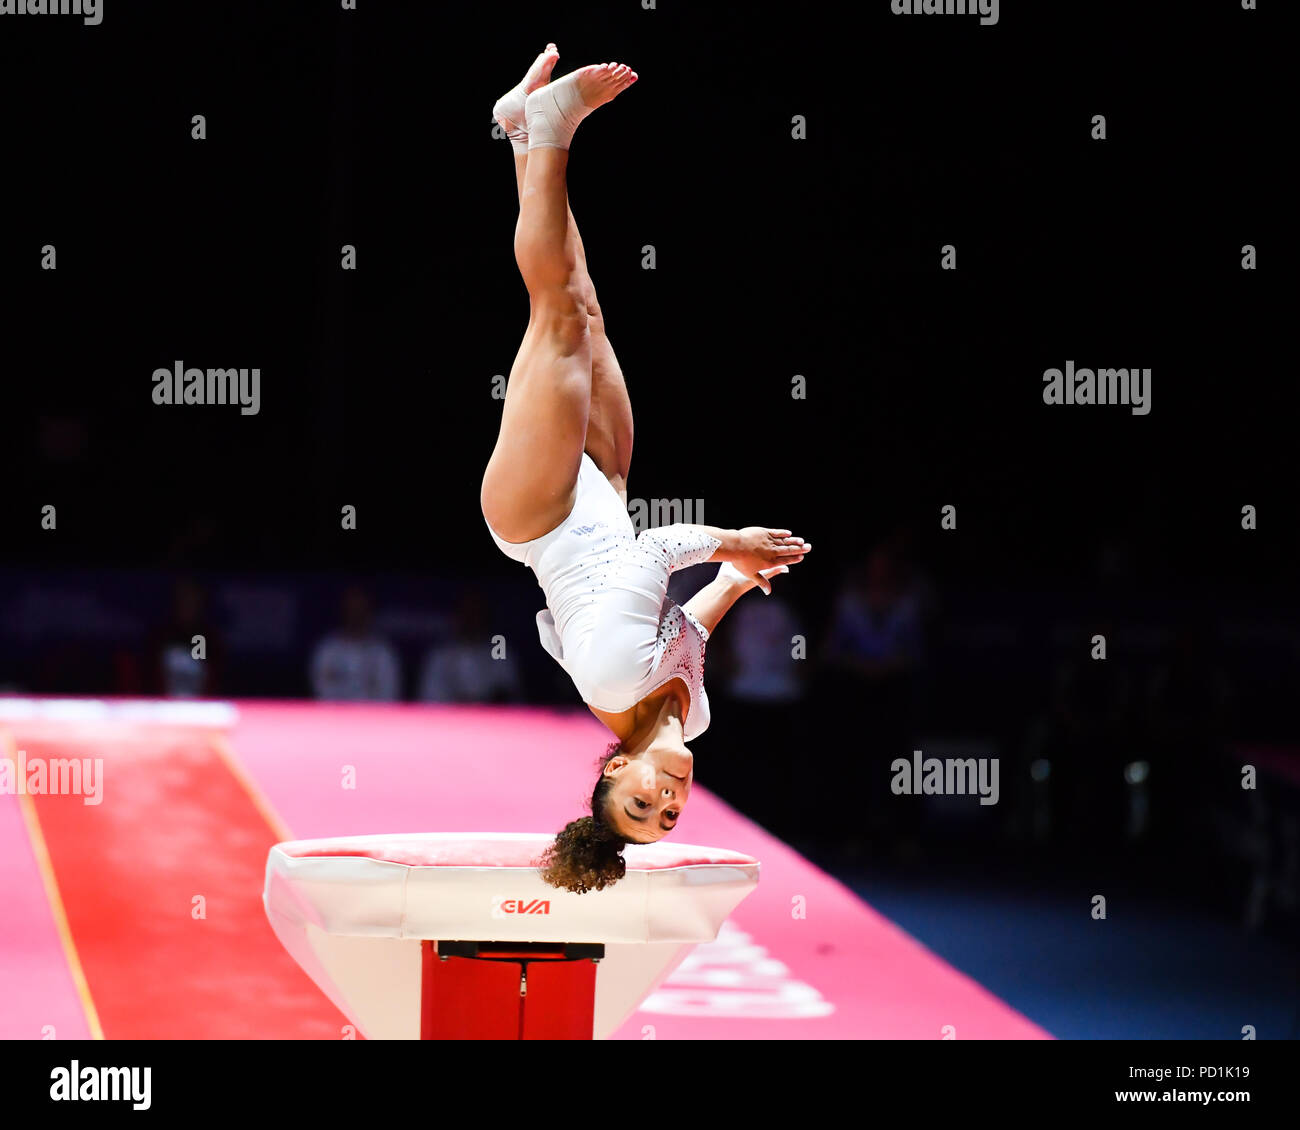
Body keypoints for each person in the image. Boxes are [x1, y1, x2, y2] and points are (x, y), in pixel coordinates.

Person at [481, 47, 810, 892]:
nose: (666, 801)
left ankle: (551, 128)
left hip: (540, 515)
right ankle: (520, 133)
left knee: (556, 317)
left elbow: (655, 552)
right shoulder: (691, 720)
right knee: (584, 306)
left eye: (639, 804)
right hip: (600, 497)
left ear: (613, 770)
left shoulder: (613, 681)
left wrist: (732, 541)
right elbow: (687, 634)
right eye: (668, 816)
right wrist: (736, 580)